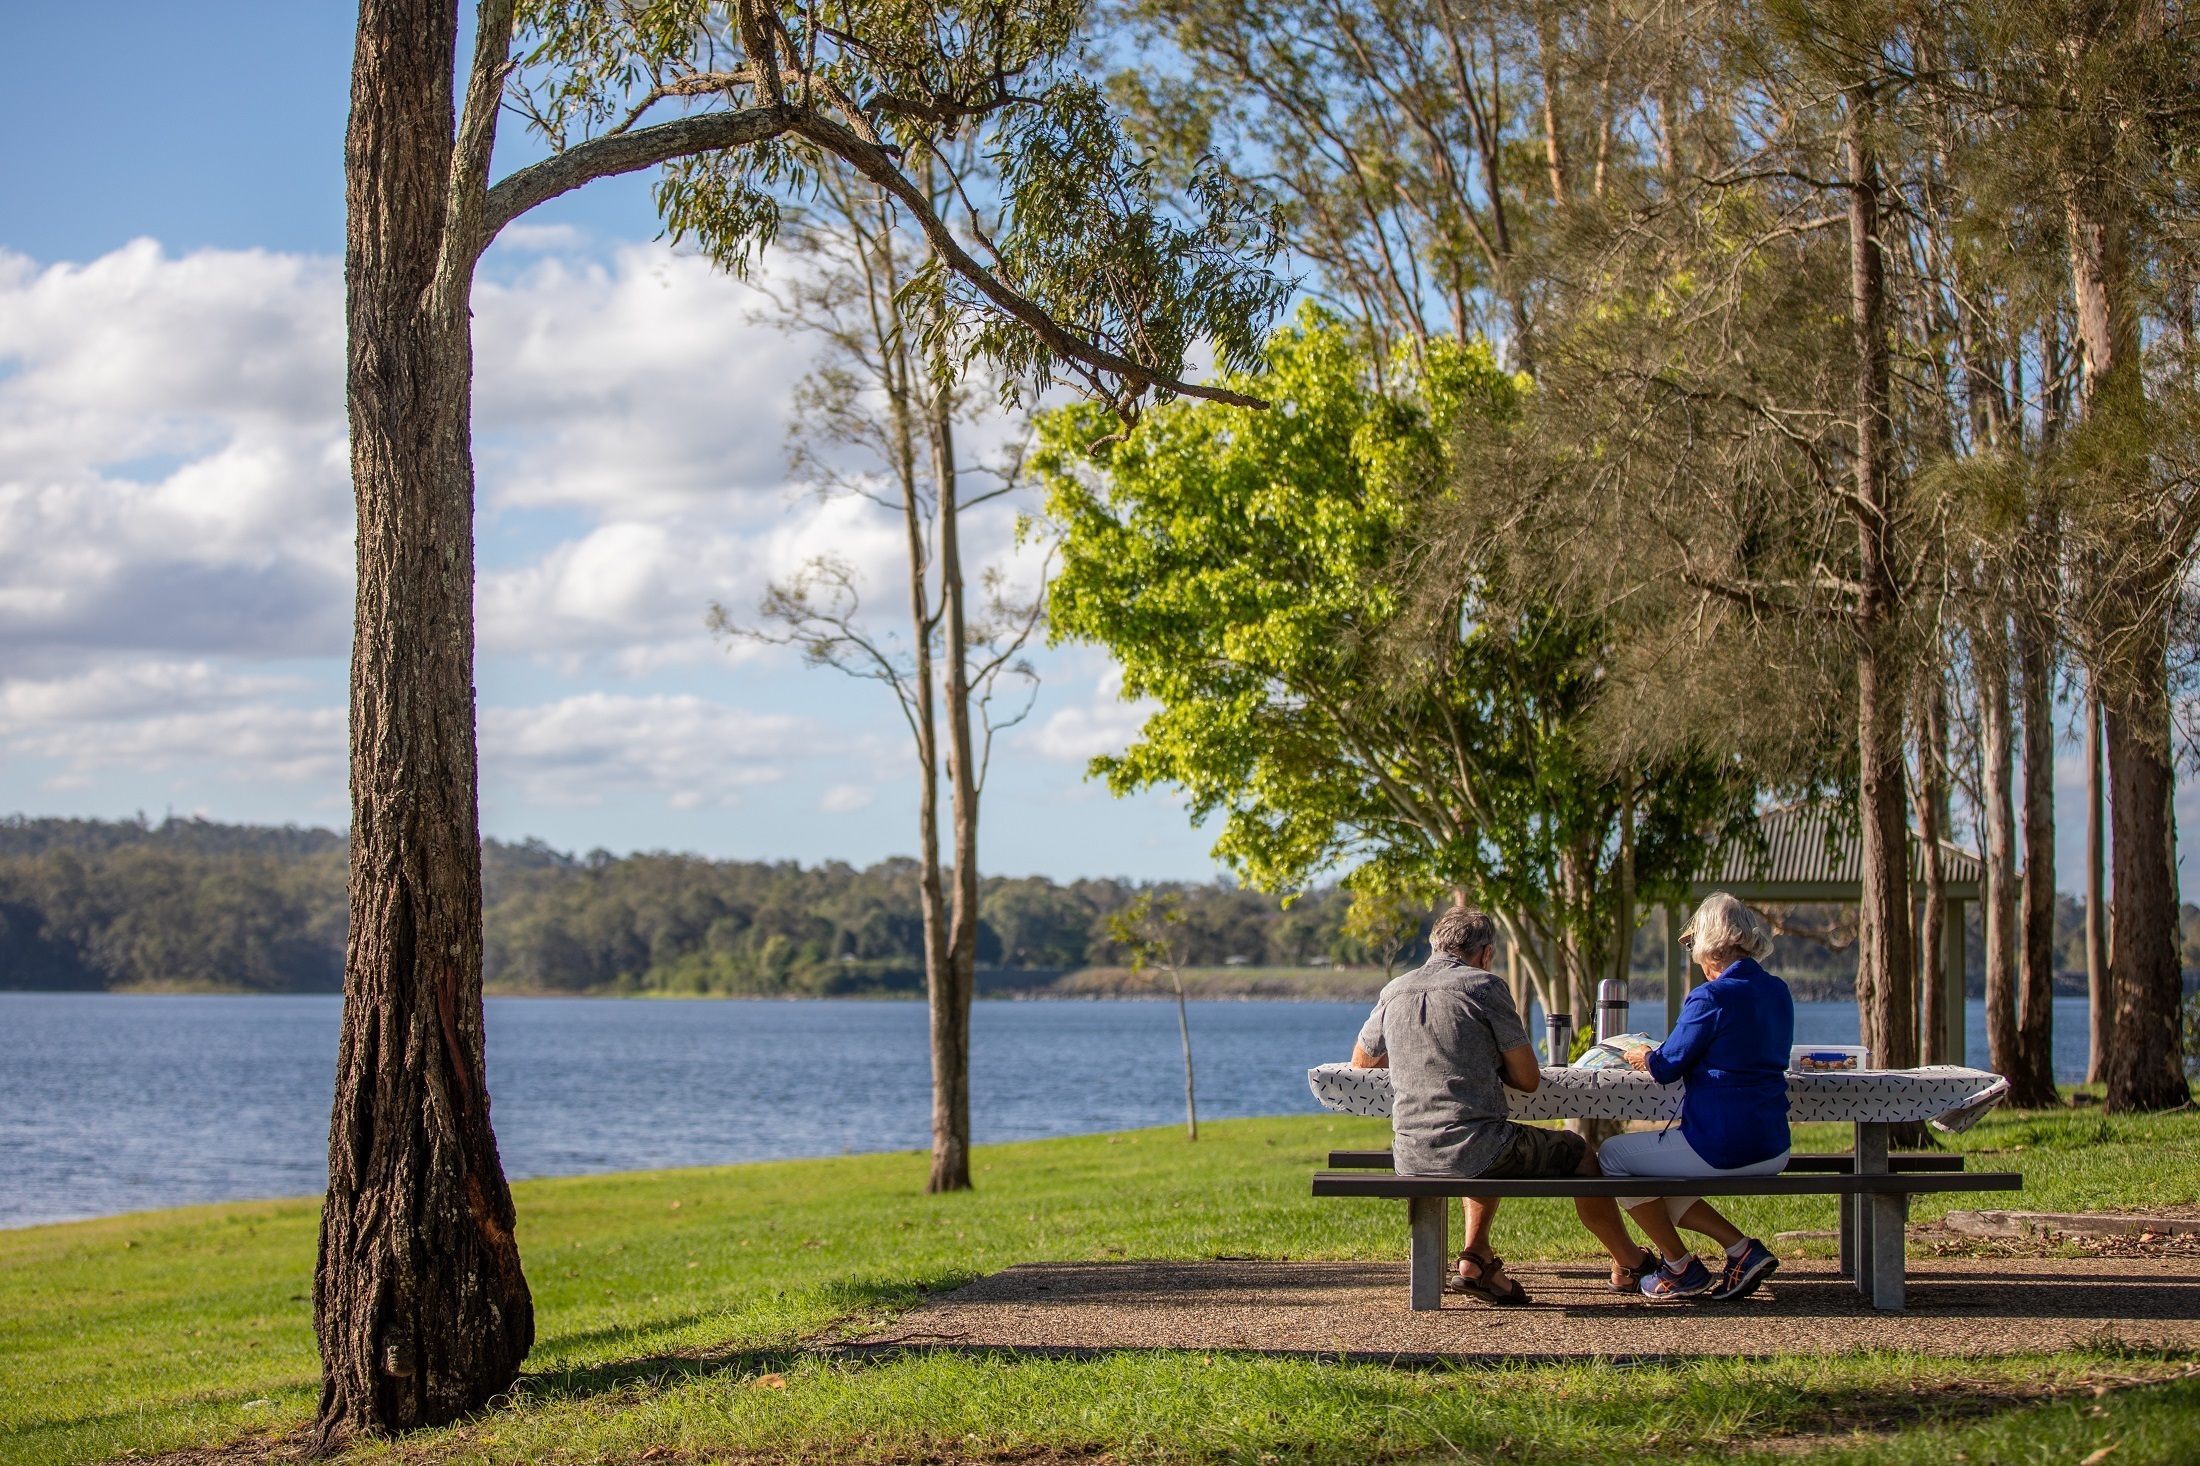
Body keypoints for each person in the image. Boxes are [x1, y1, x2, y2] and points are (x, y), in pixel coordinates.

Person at [1350, 905, 1600, 1305]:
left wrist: (1417, 1046)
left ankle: (1476, 1257)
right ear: (1485, 953)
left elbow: (1362, 1061)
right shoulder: (1484, 987)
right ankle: (1628, 1263)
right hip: (1479, 1146)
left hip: (1411, 1151)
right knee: (1580, 1152)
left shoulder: (1395, 990)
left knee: (1482, 1137)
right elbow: (1528, 1080)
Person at [1578, 891, 1793, 1302]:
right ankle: (1739, 1249)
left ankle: (1678, 1266)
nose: (1692, 952)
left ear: (1708, 943)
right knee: (1653, 1171)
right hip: (1774, 1145)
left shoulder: (1710, 997)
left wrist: (1641, 1054)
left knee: (1612, 1158)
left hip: (1726, 1143)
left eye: (1692, 942)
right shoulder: (1777, 990)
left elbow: (1666, 1066)